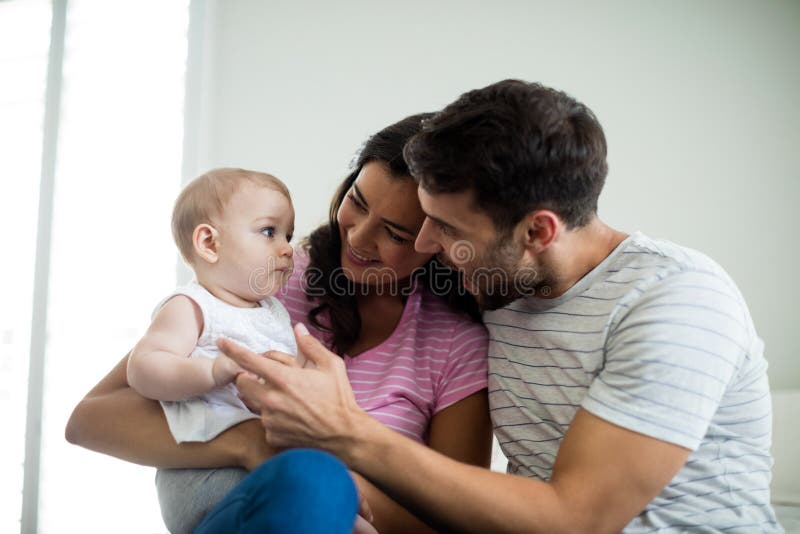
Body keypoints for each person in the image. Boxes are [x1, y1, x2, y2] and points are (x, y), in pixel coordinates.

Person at [219, 80, 783, 533]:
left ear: (538, 230)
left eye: (444, 227)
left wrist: (344, 432)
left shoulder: (676, 300)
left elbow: (578, 519)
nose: (424, 245)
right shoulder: (491, 288)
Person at [65, 113, 492, 534]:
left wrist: (331, 476)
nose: (359, 238)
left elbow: (456, 522)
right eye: (356, 203)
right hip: (237, 514)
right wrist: (250, 442)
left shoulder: (456, 344)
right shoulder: (265, 281)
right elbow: (91, 421)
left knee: (316, 480)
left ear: (437, 242)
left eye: (395, 234)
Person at [126, 168, 298, 445]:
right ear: (209, 243)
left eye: (287, 236)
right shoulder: (192, 307)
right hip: (202, 460)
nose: (288, 248)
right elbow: (142, 369)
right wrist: (213, 371)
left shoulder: (272, 311)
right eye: (269, 232)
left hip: (260, 447)